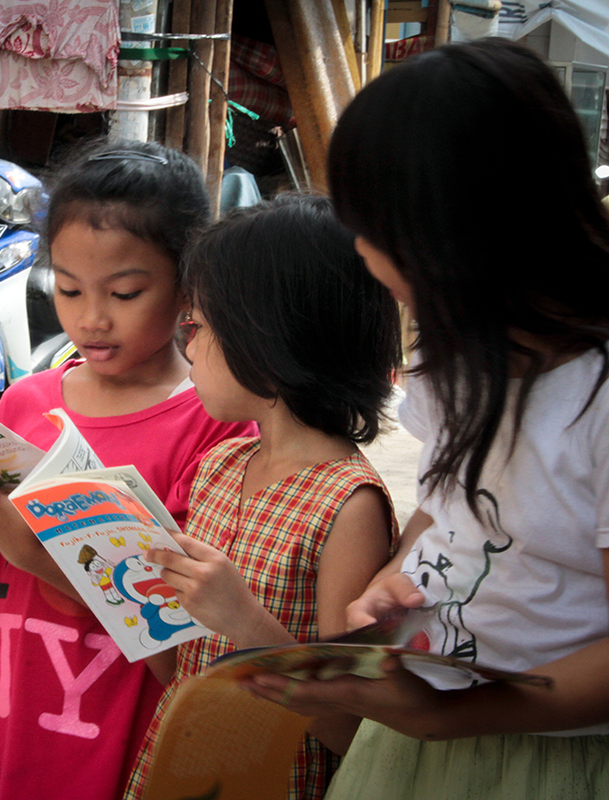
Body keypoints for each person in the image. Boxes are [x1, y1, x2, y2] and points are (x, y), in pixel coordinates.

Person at [241, 39, 609, 800]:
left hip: (547, 758)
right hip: (427, 731)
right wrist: (391, 581)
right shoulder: (457, 366)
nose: (364, 254)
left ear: (458, 239)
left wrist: (460, 716)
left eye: (375, 230)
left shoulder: (596, 403)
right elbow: (448, 513)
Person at [0, 139, 256, 800]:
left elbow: (177, 643)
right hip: (1, 721)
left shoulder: (214, 426)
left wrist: (36, 549)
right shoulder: (28, 401)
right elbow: (0, 583)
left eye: (126, 292)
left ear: (190, 283)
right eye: (69, 290)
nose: (91, 318)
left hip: (113, 739)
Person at [122, 194, 403, 800]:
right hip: (181, 765)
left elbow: (346, 727)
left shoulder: (348, 505)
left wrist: (245, 620)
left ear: (269, 337)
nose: (186, 346)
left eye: (198, 327)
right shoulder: (220, 465)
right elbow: (181, 667)